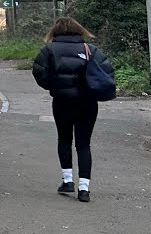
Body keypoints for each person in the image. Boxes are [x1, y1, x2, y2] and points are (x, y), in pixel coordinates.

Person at [31, 16, 112, 203]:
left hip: (62, 101)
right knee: (83, 144)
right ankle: (84, 189)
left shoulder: (49, 50)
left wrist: (53, 86)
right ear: (79, 30)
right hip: (88, 102)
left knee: (64, 139)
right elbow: (107, 71)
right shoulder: (90, 50)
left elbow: (39, 71)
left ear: (55, 31)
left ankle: (67, 181)